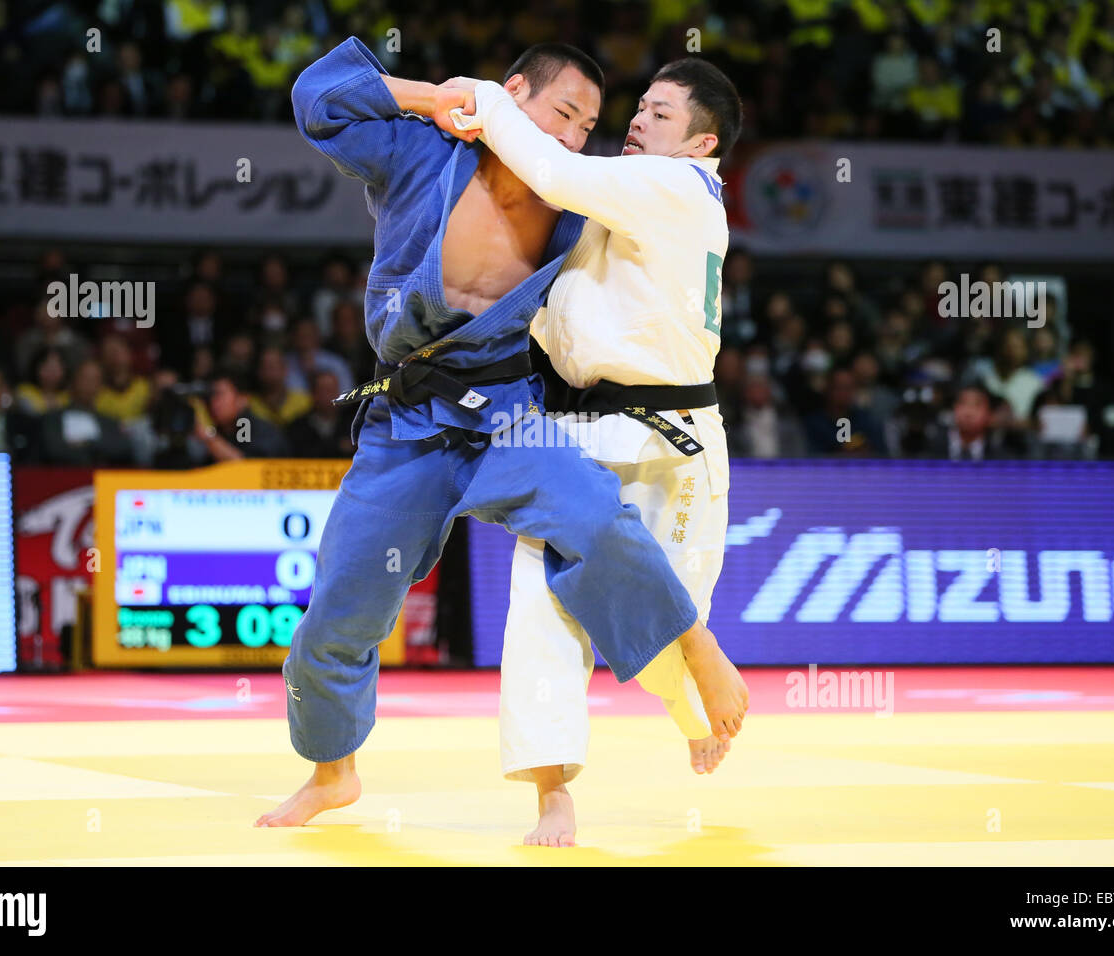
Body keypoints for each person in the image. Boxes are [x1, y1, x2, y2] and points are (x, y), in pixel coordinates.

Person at [256, 38, 747, 828]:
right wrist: (430, 97)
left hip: (511, 412)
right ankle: (331, 770)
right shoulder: (424, 153)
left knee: (597, 518)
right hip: (409, 419)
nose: (575, 136)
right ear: (511, 91)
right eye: (563, 113)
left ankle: (700, 648)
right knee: (344, 601)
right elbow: (320, 97)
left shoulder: (581, 195)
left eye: (590, 125)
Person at [454, 57, 745, 846]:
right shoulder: (609, 207)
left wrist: (485, 97)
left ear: (699, 143)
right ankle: (552, 794)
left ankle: (693, 703)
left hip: (671, 444)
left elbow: (548, 166)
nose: (635, 121)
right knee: (540, 612)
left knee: (663, 633)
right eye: (640, 107)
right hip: (574, 435)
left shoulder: (679, 190)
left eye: (657, 112)